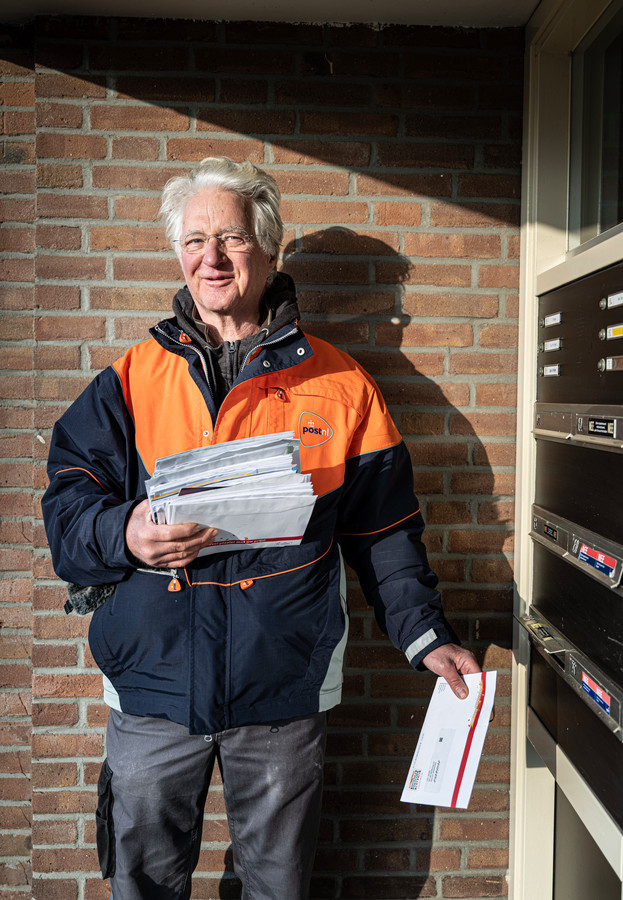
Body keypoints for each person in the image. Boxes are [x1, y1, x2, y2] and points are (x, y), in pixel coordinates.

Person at [42, 157, 480, 900]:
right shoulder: (125, 381)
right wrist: (127, 533)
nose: (210, 258)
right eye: (194, 240)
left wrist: (425, 635)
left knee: (276, 886)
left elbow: (386, 532)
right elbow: (66, 512)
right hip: (151, 686)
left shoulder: (341, 386)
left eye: (232, 239)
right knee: (142, 880)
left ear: (269, 250)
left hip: (284, 685)